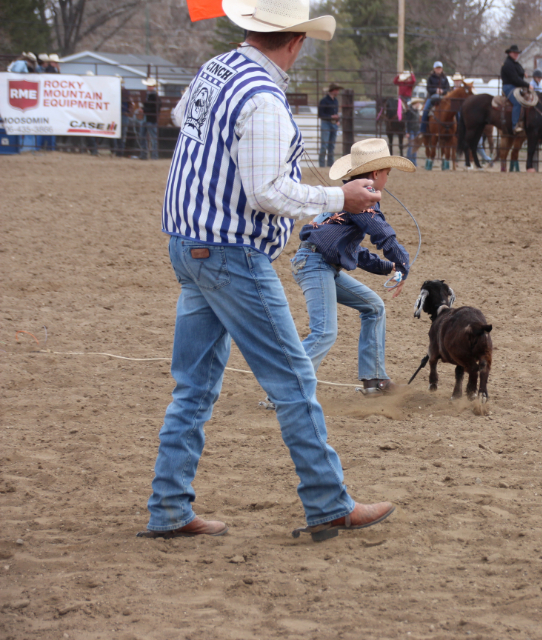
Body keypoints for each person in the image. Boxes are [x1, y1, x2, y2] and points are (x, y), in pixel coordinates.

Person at [143, 0, 390, 541]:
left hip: (188, 243)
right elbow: (267, 192)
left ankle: (168, 509)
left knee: (193, 387)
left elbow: (184, 118)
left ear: (252, 28)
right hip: (232, 253)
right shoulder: (264, 98)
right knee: (293, 379)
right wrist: (340, 198)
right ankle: (328, 503)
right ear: (297, 41)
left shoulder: (216, 69)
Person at [290, 138, 414, 398]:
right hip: (316, 264)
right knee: (324, 332)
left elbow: (351, 250)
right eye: (388, 173)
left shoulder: (347, 198)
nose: (387, 179)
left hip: (316, 262)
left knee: (374, 307)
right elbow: (381, 233)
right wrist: (403, 262)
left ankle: (374, 380)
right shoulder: (362, 200)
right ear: (376, 174)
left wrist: (388, 266)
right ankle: (285, 390)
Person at [501, 45, 529, 134]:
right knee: (517, 102)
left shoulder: (514, 63)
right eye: (514, 53)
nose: (516, 54)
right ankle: (515, 125)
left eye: (517, 53)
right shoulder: (508, 64)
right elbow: (514, 79)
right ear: (509, 53)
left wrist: (523, 73)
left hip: (515, 87)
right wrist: (527, 85)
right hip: (509, 87)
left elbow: (519, 72)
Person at [420, 61, 450, 133]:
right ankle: (422, 130)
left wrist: (442, 91)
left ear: (442, 69)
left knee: (453, 110)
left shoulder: (445, 78)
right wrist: (436, 90)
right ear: (434, 69)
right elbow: (428, 89)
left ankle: (457, 129)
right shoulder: (430, 78)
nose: (438, 69)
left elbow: (448, 89)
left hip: (443, 97)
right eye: (437, 68)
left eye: (439, 68)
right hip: (432, 97)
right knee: (425, 110)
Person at [318, 82, 342, 167]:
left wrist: (337, 120)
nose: (338, 92)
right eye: (337, 90)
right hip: (326, 123)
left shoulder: (335, 101)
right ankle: (322, 165)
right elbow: (320, 114)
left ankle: (330, 165)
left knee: (332, 145)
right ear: (333, 90)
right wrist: (331, 116)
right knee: (324, 145)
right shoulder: (324, 101)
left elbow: (336, 112)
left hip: (333, 124)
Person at [142, 77, 160, 160]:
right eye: (148, 86)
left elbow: (154, 108)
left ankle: (151, 155)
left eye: (150, 86)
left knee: (151, 138)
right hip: (149, 118)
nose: (149, 87)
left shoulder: (154, 96)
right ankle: (147, 155)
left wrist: (144, 109)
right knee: (145, 137)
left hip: (150, 119)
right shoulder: (150, 96)